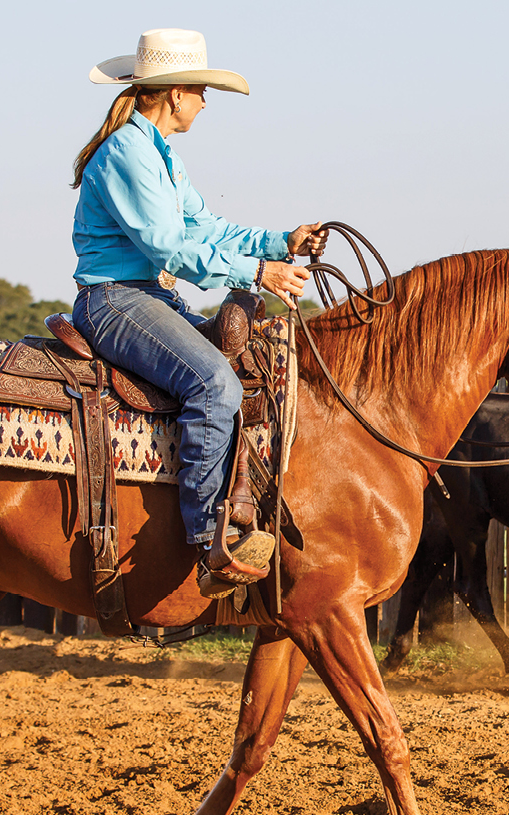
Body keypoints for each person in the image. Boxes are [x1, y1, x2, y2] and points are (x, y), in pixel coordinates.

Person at [70, 28, 326, 597]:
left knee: (244, 370)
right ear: (176, 92)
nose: (207, 103)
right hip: (115, 300)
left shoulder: (158, 154)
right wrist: (258, 273)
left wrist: (282, 241)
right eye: (203, 91)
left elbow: (206, 228)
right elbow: (166, 246)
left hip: (146, 298)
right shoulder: (128, 154)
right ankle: (210, 539)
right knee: (214, 384)